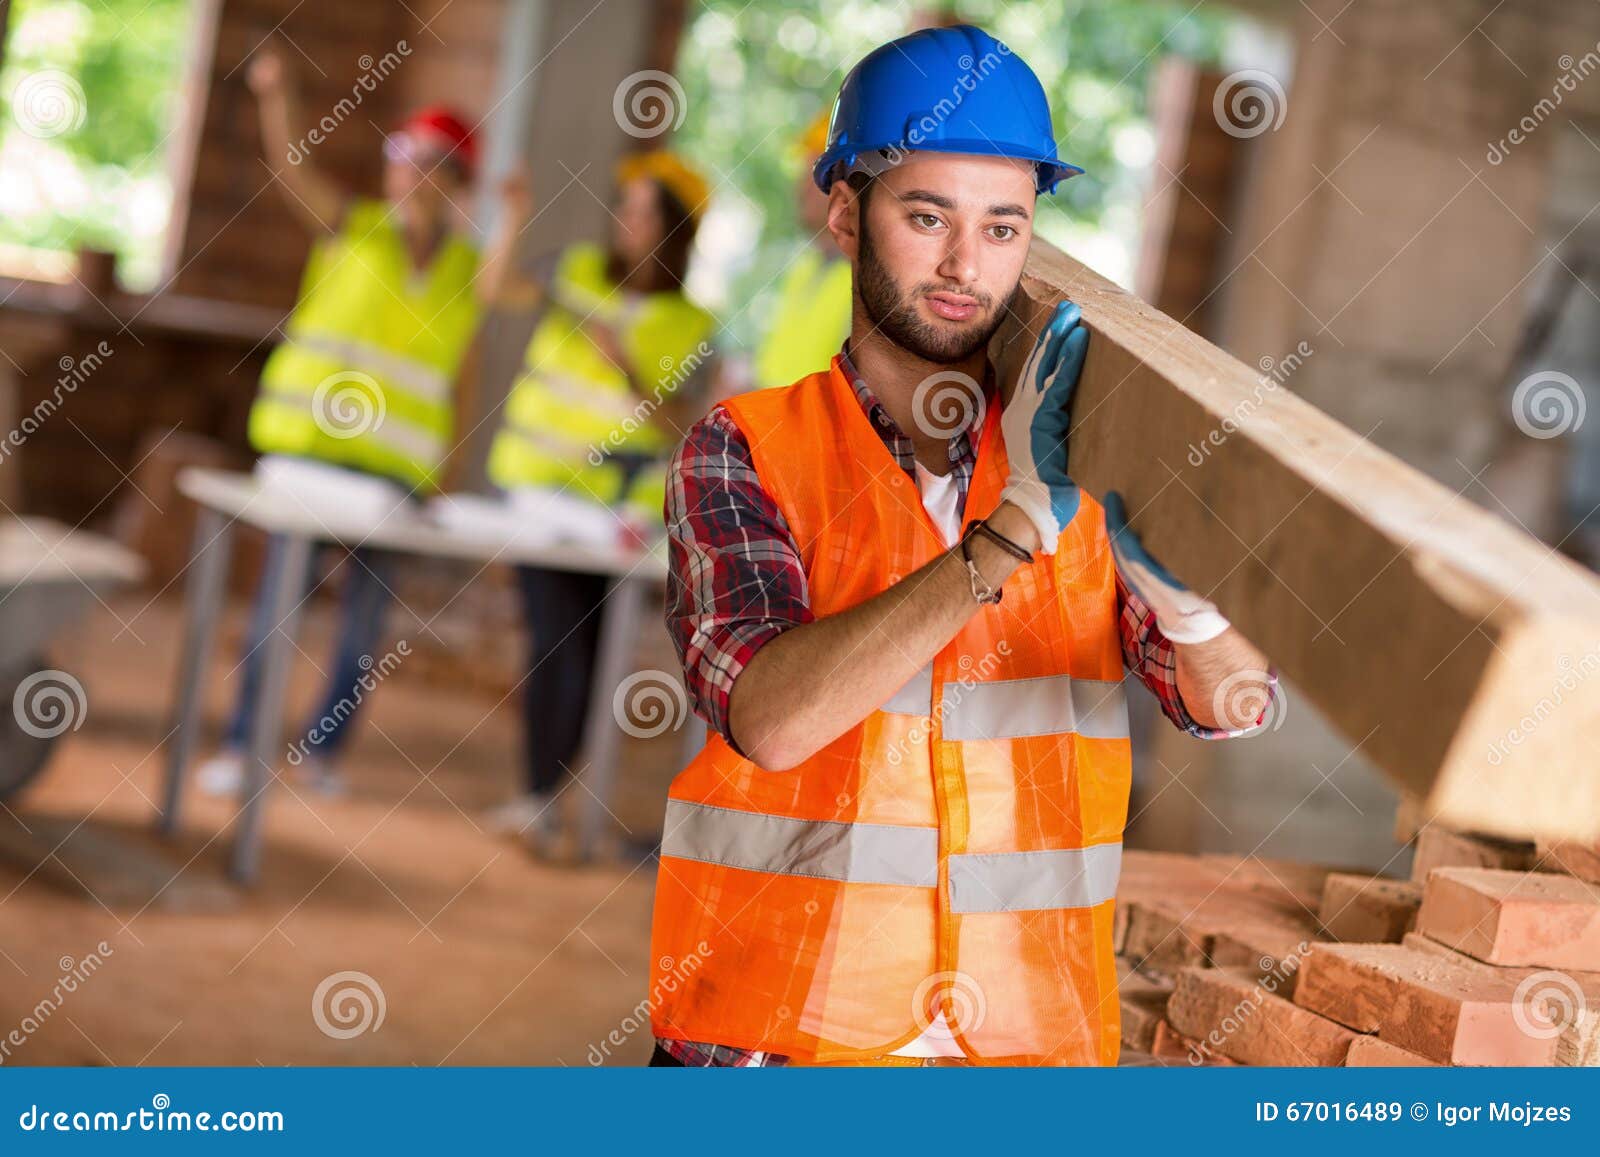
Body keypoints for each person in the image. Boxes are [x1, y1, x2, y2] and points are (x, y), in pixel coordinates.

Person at [646, 25, 1276, 1067]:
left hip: (1015, 1047)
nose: (960, 265)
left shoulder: (1082, 461)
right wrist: (1009, 534)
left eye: (1000, 227)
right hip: (772, 1038)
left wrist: (1188, 603)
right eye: (926, 215)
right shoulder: (747, 448)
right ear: (846, 211)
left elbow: (1226, 703)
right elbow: (771, 716)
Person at [198, 46, 525, 797]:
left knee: (362, 627)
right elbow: (290, 170)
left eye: (428, 162)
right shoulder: (356, 228)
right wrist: (276, 95)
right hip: (309, 460)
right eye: (402, 157)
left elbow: (498, 285)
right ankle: (244, 745)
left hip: (391, 476)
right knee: (276, 612)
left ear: (455, 183)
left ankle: (323, 754)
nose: (408, 173)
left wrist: (513, 214)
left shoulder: (458, 268)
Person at [480, 150, 716, 837]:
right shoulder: (579, 272)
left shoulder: (691, 325)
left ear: (674, 230)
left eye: (645, 212)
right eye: (626, 206)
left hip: (615, 519)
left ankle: (545, 794)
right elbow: (496, 290)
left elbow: (684, 421)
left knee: (581, 648)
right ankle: (541, 792)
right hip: (537, 499)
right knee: (555, 642)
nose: (628, 222)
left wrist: (631, 370)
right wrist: (514, 216)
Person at [747, 109, 853, 390]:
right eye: (803, 172)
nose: (802, 186)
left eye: (815, 174)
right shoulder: (802, 268)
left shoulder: (867, 280)